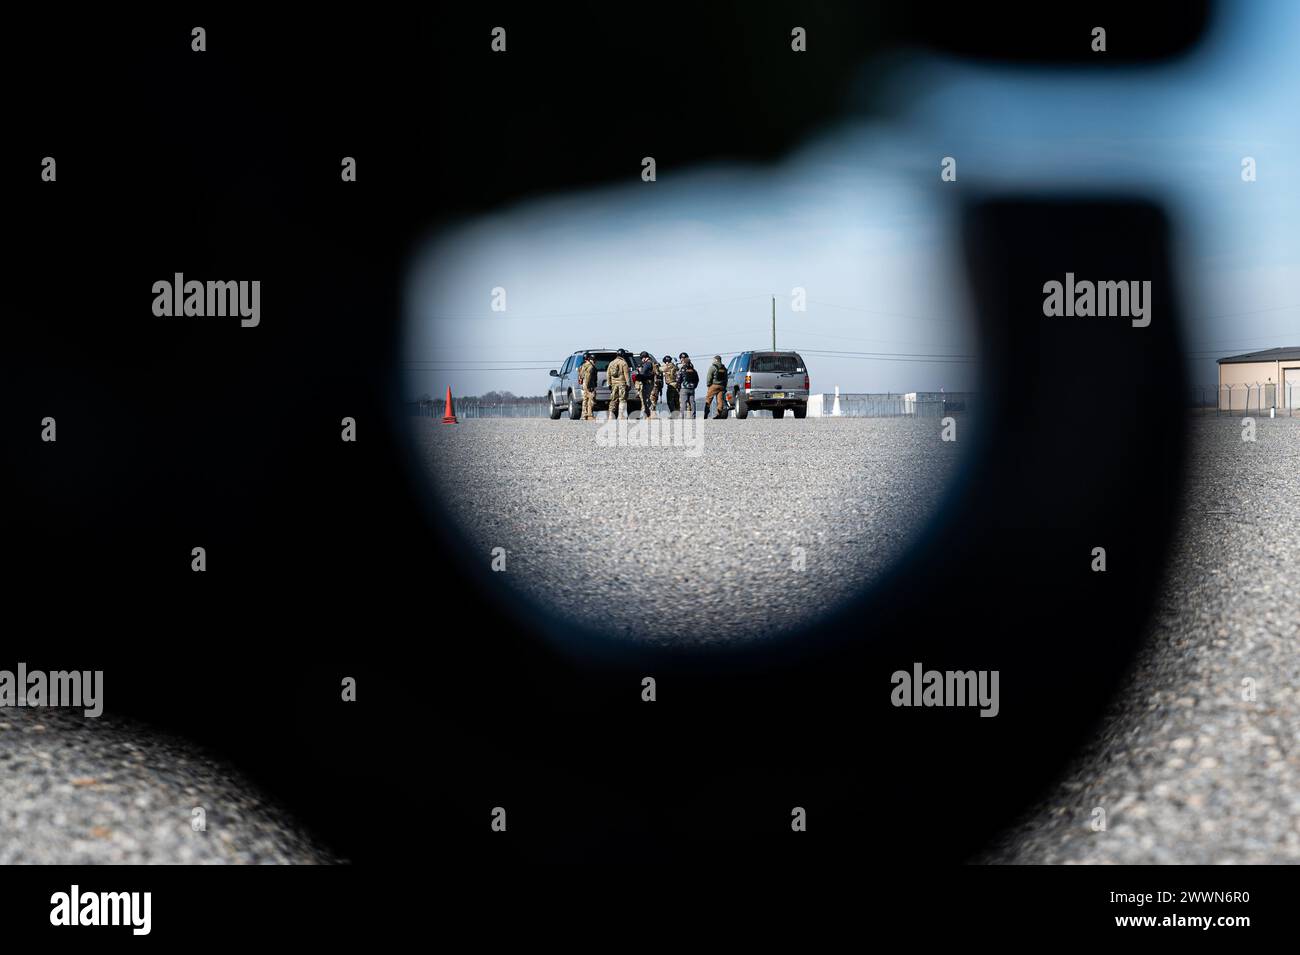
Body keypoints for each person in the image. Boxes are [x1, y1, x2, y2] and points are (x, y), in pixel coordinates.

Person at [606, 349, 631, 419]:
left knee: (613, 400)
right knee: (622, 400)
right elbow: (626, 374)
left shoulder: (611, 363)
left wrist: (609, 384)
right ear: (623, 355)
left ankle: (611, 416)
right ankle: (621, 416)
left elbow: (608, 374)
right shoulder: (624, 363)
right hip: (622, 384)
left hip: (614, 384)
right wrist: (629, 384)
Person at [705, 354, 729, 419]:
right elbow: (726, 378)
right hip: (722, 386)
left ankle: (705, 414)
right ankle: (719, 415)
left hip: (714, 385)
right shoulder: (724, 368)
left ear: (715, 360)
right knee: (720, 400)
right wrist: (724, 386)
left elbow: (709, 377)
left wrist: (708, 384)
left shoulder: (712, 367)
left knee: (708, 399)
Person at [635, 351, 657, 419]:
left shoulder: (647, 364)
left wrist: (639, 371)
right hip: (651, 383)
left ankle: (650, 415)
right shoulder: (652, 363)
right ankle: (650, 415)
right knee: (649, 399)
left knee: (646, 400)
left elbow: (642, 373)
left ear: (644, 358)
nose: (641, 360)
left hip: (647, 383)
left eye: (641, 358)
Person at [577, 352, 597, 420]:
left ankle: (584, 415)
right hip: (589, 384)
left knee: (585, 399)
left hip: (584, 384)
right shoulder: (591, 366)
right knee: (591, 399)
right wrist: (589, 386)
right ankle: (590, 415)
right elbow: (588, 376)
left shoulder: (583, 365)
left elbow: (581, 375)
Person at [678, 353, 698, 418]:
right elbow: (697, 379)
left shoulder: (682, 369)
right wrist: (694, 386)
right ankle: (693, 416)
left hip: (684, 388)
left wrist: (678, 387)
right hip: (692, 388)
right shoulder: (693, 370)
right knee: (692, 403)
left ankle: (682, 416)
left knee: (683, 403)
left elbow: (678, 379)